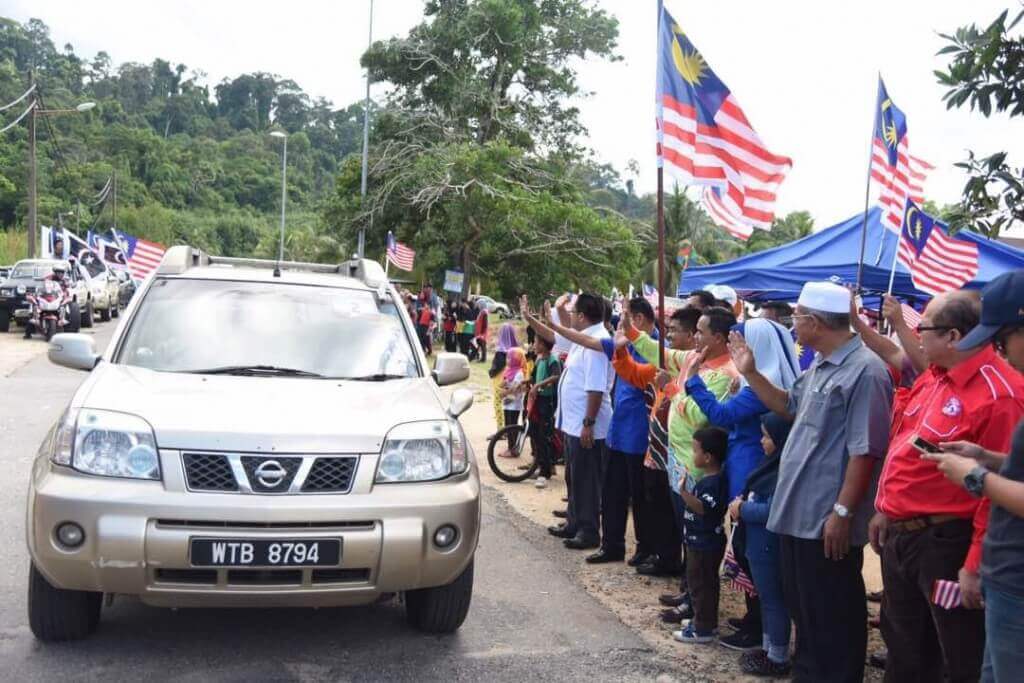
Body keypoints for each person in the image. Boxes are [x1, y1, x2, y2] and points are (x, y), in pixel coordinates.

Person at [732, 281, 893, 683]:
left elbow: (866, 450)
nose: (793, 325)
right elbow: (787, 404)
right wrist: (750, 373)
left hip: (825, 518)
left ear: (816, 322)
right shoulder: (822, 364)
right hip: (797, 512)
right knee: (806, 609)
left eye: (797, 317)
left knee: (833, 612)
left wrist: (842, 511)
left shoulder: (866, 371)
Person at [868, 291, 1024, 683]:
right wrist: (887, 509)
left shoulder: (999, 394)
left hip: (946, 544)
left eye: (924, 328)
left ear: (953, 336)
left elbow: (1003, 491)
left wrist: (973, 564)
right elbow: (906, 444)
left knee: (959, 653)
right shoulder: (933, 378)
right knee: (904, 645)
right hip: (904, 537)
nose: (916, 334)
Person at [914, 271, 1024, 683]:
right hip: (1006, 569)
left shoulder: (1005, 392)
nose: (1001, 354)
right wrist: (990, 459)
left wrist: (976, 476)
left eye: (1001, 341)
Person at [682, 317, 799, 650]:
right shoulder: (767, 384)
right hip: (748, 466)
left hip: (749, 470)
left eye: (740, 343)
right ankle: (754, 620)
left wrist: (693, 381)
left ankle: (759, 626)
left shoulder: (762, 389)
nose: (734, 349)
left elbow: (720, 416)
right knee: (748, 551)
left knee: (752, 553)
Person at [544, 297, 659, 566]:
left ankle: (645, 548)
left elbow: (621, 377)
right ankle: (612, 545)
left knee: (640, 497)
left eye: (625, 317)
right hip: (619, 431)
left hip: (640, 434)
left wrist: (588, 422)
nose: (619, 323)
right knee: (612, 493)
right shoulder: (623, 342)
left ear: (638, 320)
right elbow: (586, 341)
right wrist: (554, 320)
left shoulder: (655, 348)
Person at [608, 307, 702, 581]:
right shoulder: (667, 363)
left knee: (677, 511)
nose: (669, 335)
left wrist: (670, 387)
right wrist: (622, 349)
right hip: (658, 446)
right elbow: (633, 373)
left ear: (692, 335)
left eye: (674, 331)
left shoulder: (695, 368)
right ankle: (665, 556)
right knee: (657, 503)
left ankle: (678, 565)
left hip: (680, 450)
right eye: (668, 330)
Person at [728, 413, 794, 676]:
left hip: (768, 545)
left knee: (774, 600)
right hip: (757, 545)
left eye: (767, 436)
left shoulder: (782, 472)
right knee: (767, 600)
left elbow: (773, 511)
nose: (762, 441)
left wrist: (743, 508)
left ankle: (777, 656)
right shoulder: (769, 465)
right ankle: (768, 649)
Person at [550, 293, 613, 551]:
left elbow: (595, 388)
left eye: (573, 313)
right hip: (574, 421)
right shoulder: (584, 338)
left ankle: (589, 530)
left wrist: (588, 423)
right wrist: (532, 319)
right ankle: (574, 522)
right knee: (574, 476)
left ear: (583, 316)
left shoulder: (597, 342)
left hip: (586, 424)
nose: (570, 316)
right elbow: (559, 334)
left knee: (586, 479)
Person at [673, 426, 729, 644]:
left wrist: (684, 493)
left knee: (701, 584)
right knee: (700, 582)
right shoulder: (709, 479)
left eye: (695, 450)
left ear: (707, 457)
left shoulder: (714, 483)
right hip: (698, 541)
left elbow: (704, 508)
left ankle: (703, 628)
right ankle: (703, 620)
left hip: (705, 544)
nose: (692, 454)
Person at [528, 334, 561, 489]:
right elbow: (533, 378)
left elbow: (556, 376)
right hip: (538, 400)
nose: (534, 345)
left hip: (548, 401)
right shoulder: (539, 359)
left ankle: (545, 472)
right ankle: (542, 465)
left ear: (544, 345)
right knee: (535, 433)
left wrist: (539, 384)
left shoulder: (552, 360)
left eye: (536, 342)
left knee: (544, 434)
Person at [497, 347, 528, 457]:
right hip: (507, 403)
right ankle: (510, 448)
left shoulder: (519, 373)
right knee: (508, 425)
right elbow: (503, 383)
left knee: (512, 426)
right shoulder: (509, 370)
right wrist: (503, 384)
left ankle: (513, 449)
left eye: (510, 358)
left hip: (514, 404)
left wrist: (504, 393)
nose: (507, 360)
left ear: (516, 360)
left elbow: (515, 389)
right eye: (507, 358)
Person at [489, 323, 520, 433]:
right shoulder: (517, 351)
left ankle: (500, 430)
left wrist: (491, 373)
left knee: (498, 404)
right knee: (509, 405)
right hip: (512, 381)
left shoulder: (500, 352)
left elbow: (495, 368)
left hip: (500, 382)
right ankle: (509, 430)